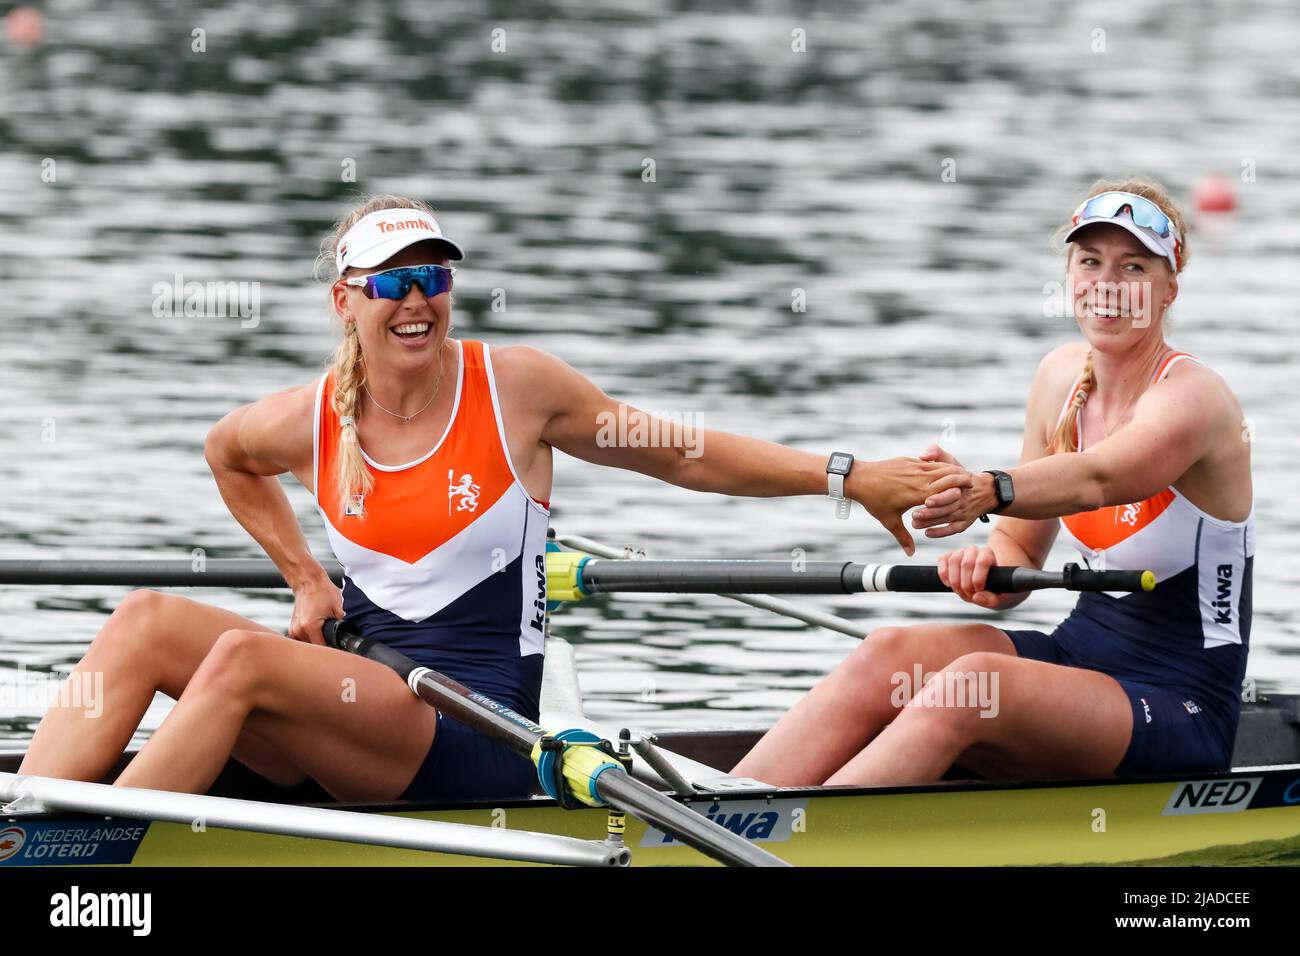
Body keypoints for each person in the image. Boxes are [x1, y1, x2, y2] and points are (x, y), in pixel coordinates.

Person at [19, 194, 968, 802]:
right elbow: (226, 454)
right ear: (345, 303)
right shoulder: (307, 418)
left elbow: (684, 456)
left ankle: (102, 854)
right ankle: (32, 820)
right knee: (143, 619)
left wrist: (846, 475)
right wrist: (305, 579)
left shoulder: (516, 388)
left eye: (432, 277)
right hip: (360, 695)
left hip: (475, 730)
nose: (417, 301)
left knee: (236, 659)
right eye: (391, 281)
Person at [734, 179, 1254, 787]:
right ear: (1069, 274)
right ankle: (717, 818)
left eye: (1133, 266)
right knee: (885, 656)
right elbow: (1018, 555)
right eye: (1090, 261)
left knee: (967, 687)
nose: (1106, 283)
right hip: (1080, 660)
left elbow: (1097, 477)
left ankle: (802, 845)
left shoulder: (1195, 399)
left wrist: (986, 488)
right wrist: (982, 568)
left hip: (1182, 707)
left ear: (1169, 289)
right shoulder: (1060, 377)